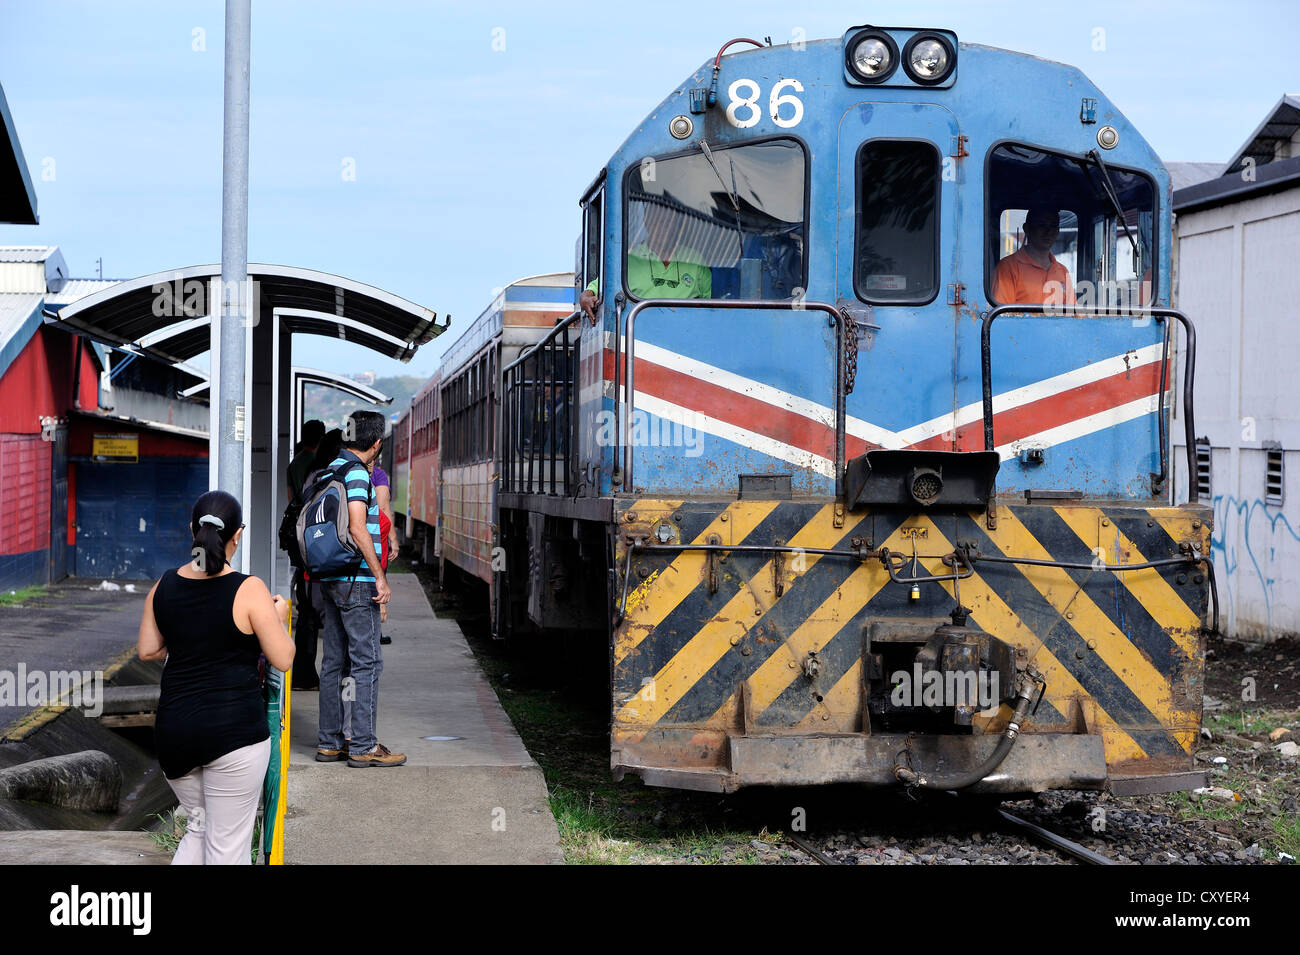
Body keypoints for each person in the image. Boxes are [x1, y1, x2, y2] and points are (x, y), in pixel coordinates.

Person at [137, 490, 295, 865]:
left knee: (200, 827)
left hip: (176, 736)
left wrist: (189, 641)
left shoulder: (163, 586)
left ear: (192, 529)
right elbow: (283, 658)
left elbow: (147, 649)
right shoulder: (249, 589)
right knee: (227, 848)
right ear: (236, 536)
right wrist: (281, 616)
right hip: (233, 737)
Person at [315, 411, 405, 768]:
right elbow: (357, 527)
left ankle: (329, 743)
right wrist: (379, 576)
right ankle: (364, 745)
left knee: (334, 662)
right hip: (356, 581)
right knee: (367, 662)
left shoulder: (329, 470)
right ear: (377, 443)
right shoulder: (356, 473)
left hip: (332, 578)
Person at [578, 196, 712, 319]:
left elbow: (711, 307)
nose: (663, 227)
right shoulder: (628, 261)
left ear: (678, 224)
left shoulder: (695, 259)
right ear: (647, 223)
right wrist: (585, 298)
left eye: (669, 221)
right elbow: (592, 290)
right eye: (657, 221)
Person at [287, 419, 326, 690]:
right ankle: (306, 674)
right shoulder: (319, 469)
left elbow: (292, 498)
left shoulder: (295, 464)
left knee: (305, 606)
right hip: (313, 542)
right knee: (313, 611)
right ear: (321, 439)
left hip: (297, 541)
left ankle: (303, 672)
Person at [992, 206, 1077, 306]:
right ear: (1027, 229)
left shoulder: (1062, 271)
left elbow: (1073, 314)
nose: (1048, 231)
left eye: (1053, 226)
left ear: (1057, 232)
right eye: (1041, 225)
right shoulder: (1008, 268)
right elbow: (1002, 317)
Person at [368, 457, 399, 646]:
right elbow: (383, 508)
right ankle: (375, 633)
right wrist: (393, 539)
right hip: (375, 537)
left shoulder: (347, 471)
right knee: (378, 581)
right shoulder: (378, 475)